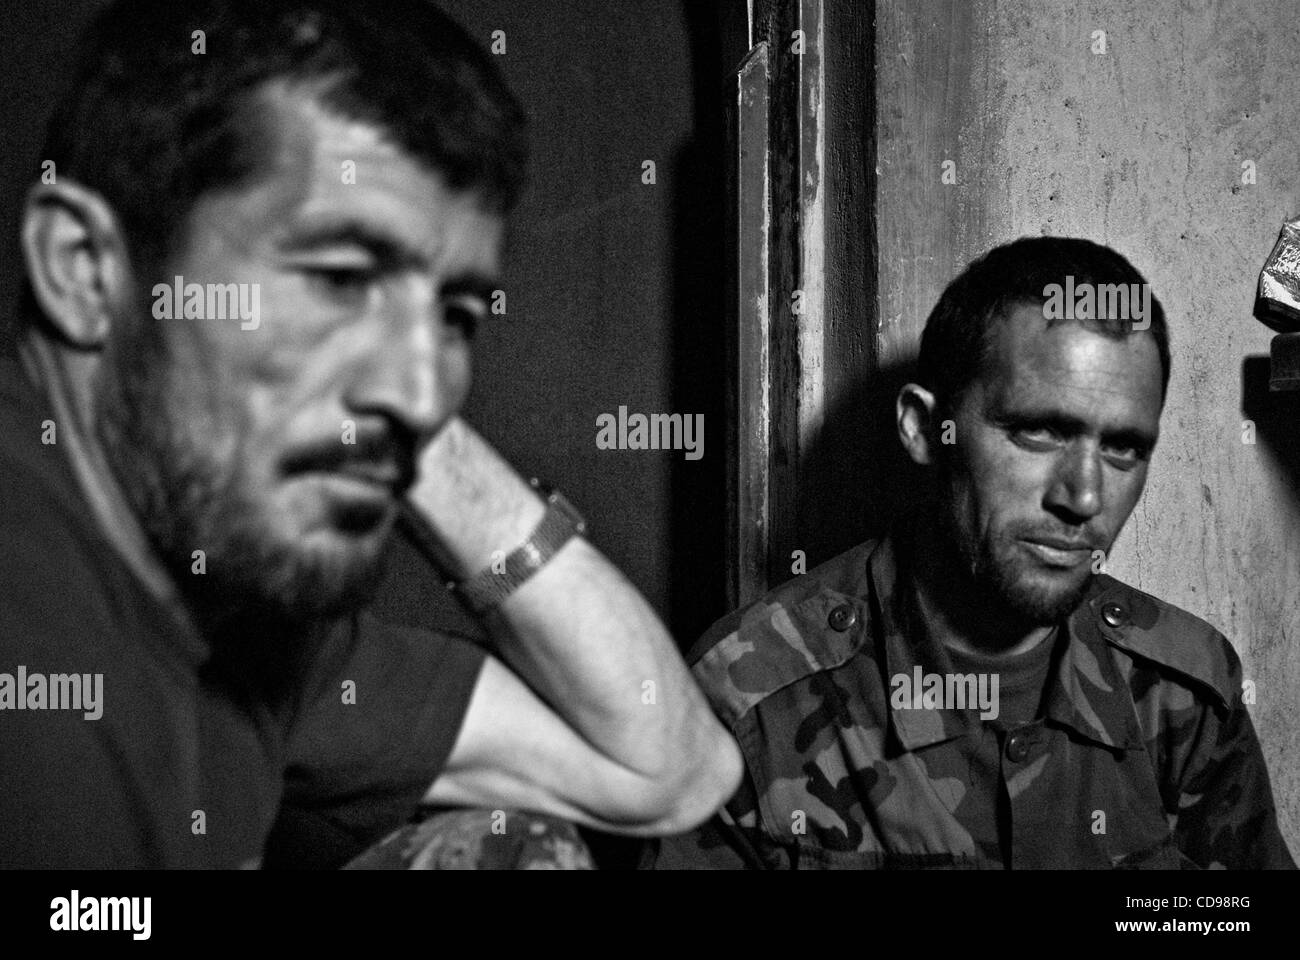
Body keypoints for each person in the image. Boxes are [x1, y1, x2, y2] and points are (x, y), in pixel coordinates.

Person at [0, 0, 740, 869]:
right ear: (86, 271)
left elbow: (669, 770)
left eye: (456, 313)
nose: (426, 393)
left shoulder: (239, 613)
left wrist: (374, 413)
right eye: (341, 278)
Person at [653, 237, 1295, 869]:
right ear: (925, 428)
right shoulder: (750, 698)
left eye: (1124, 447)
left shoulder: (1185, 689)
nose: (1085, 496)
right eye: (1039, 431)